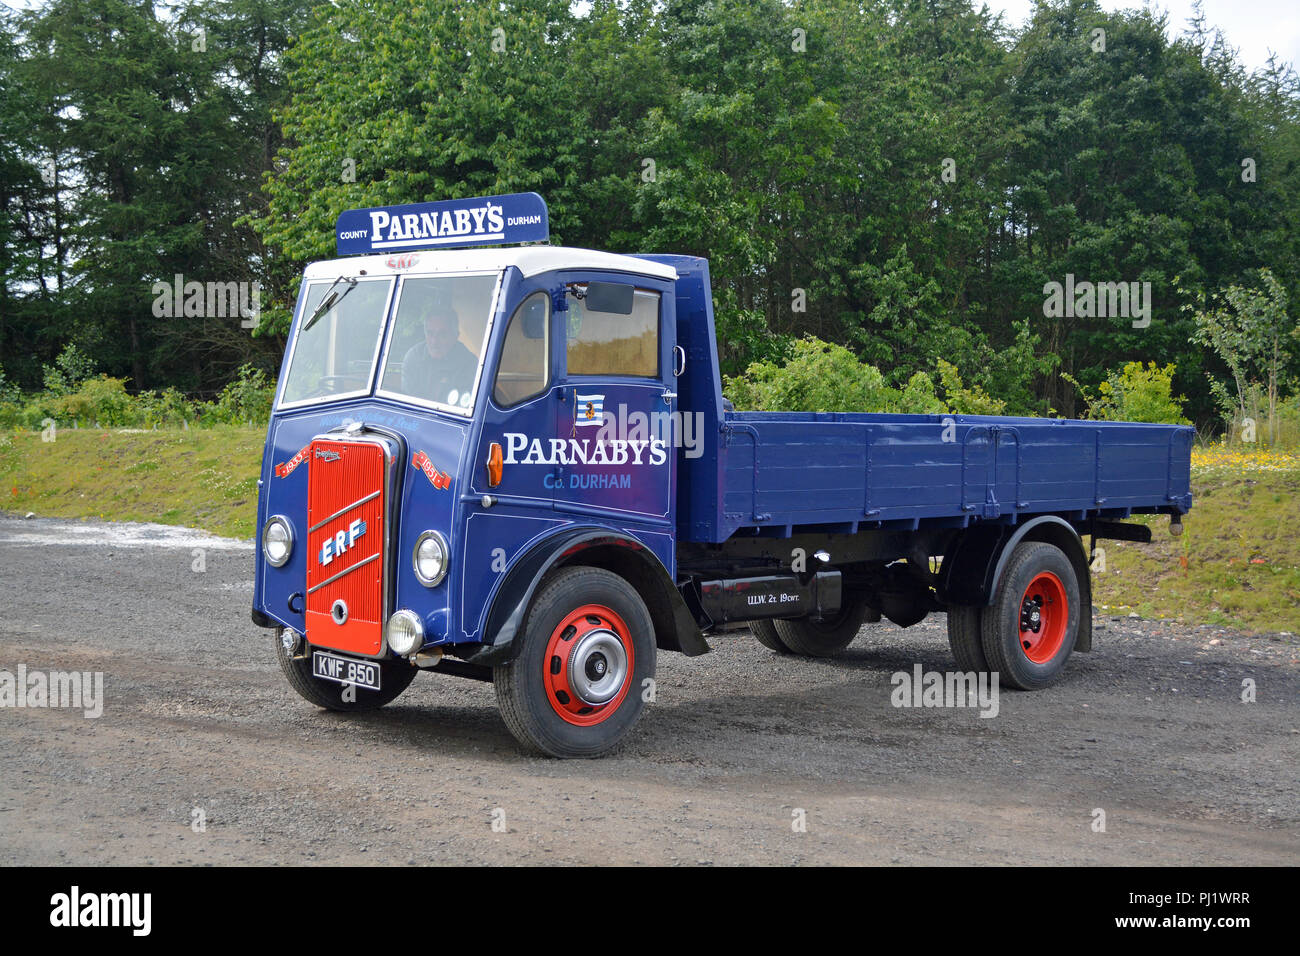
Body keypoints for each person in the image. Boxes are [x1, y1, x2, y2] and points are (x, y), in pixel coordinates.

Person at [400, 303, 477, 405]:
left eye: (442, 335)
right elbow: (407, 401)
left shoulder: (469, 364)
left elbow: (462, 407)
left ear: (456, 336)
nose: (434, 342)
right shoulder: (413, 357)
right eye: (430, 333)